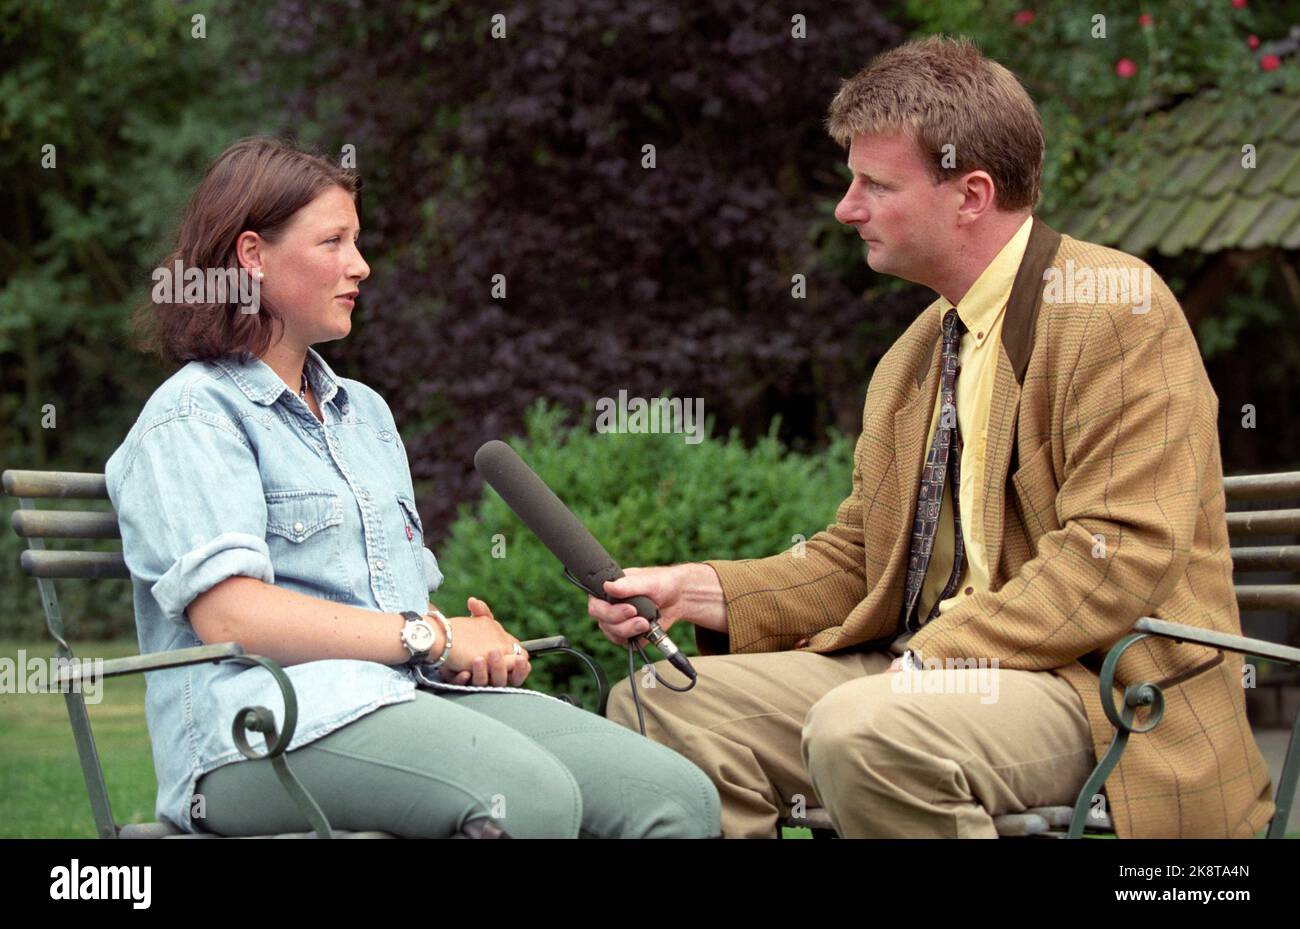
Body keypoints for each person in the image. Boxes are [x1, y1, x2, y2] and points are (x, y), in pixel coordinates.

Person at [588, 36, 1275, 839]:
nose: (847, 207)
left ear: (971, 194)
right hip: (928, 676)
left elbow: (1115, 554)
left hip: (1101, 689)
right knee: (661, 705)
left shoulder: (1112, 309)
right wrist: (697, 586)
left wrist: (932, 654)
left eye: (875, 184)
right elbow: (861, 558)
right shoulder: (915, 354)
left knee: (867, 728)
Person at [106, 136, 720, 838]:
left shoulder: (363, 414)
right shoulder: (194, 415)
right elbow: (232, 618)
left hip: (405, 695)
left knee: (676, 795)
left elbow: (394, 604)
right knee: (525, 795)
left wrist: (470, 639)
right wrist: (429, 634)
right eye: (333, 241)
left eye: (357, 241)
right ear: (252, 256)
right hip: (252, 734)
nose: (360, 266)